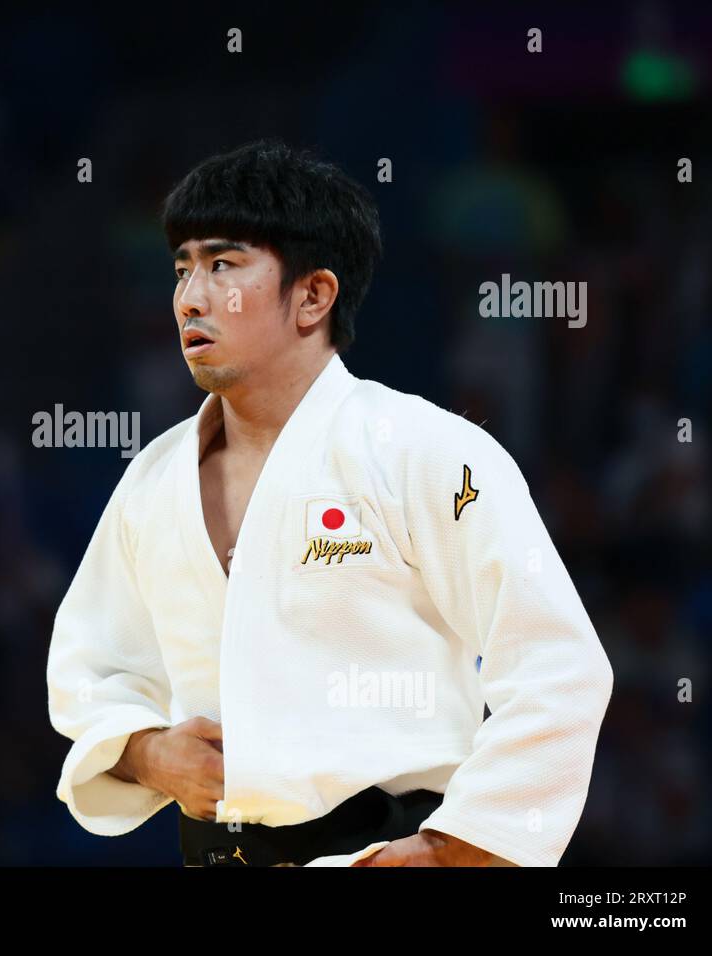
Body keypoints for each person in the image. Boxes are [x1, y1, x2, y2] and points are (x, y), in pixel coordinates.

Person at [46, 140, 613, 867]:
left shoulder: (425, 452)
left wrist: (459, 848)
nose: (190, 296)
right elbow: (92, 671)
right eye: (182, 267)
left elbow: (558, 665)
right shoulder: (152, 480)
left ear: (312, 295)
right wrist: (147, 753)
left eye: (223, 266)